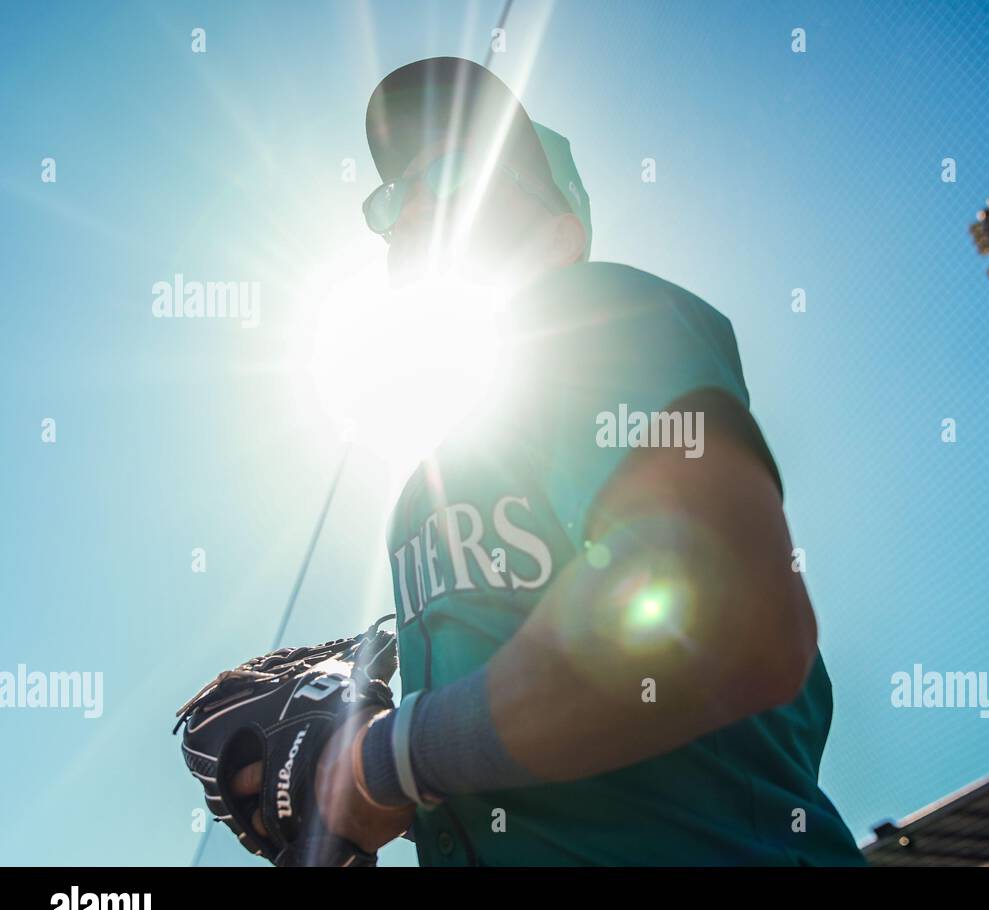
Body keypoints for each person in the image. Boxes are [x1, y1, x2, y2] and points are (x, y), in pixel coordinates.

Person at [232, 57, 863, 865]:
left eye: (456, 170)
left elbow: (732, 612)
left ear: (561, 227)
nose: (419, 201)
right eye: (397, 191)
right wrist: (340, 815)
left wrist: (384, 761)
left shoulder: (600, 318)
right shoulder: (421, 488)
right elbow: (477, 770)